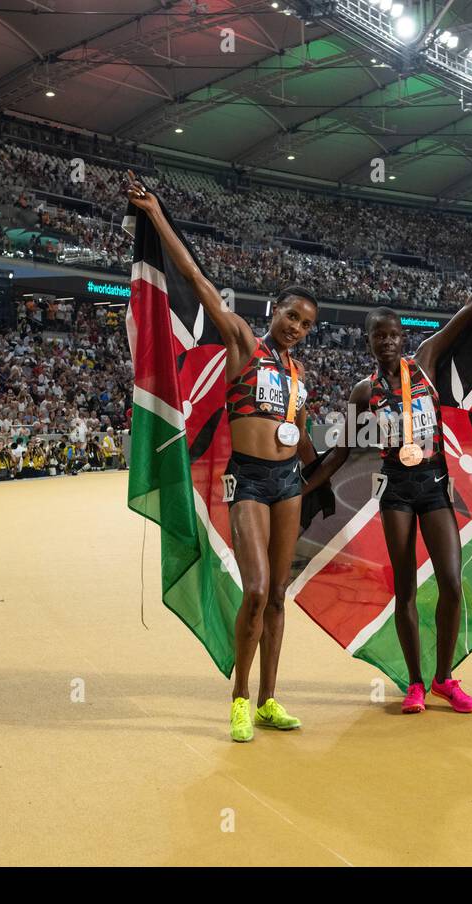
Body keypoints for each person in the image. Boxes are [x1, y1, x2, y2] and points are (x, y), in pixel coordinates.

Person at [127, 169, 319, 743]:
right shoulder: (242, 341)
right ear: (272, 312)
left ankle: (269, 700)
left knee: (281, 594)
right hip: (249, 482)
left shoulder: (298, 374)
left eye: (306, 325)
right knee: (256, 589)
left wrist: (346, 463)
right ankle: (238, 699)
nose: (297, 329)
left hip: (289, 482)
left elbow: (302, 439)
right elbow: (195, 276)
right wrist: (156, 216)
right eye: (291, 317)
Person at [308, 224, 472, 715]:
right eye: (377, 336)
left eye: (392, 335)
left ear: (401, 338)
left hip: (434, 489)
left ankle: (445, 678)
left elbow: (467, 311)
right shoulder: (362, 394)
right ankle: (414, 683)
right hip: (395, 495)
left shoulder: (425, 364)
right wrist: (304, 486)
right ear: (367, 342)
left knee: (451, 583)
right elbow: (342, 451)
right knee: (404, 589)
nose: (387, 342)